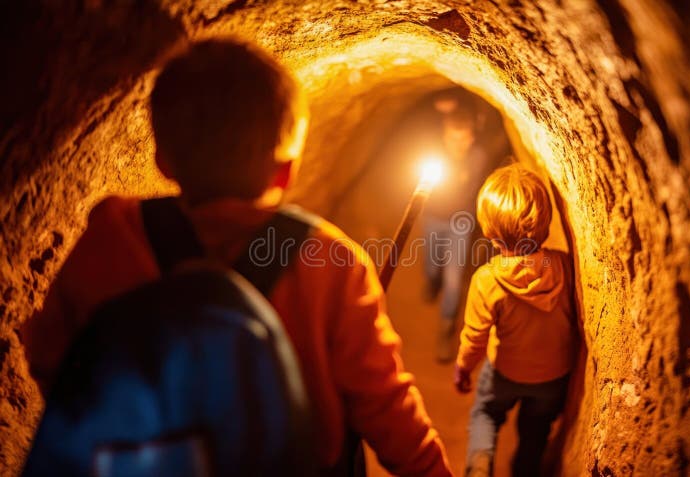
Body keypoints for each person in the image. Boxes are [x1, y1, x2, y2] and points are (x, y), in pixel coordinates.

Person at [21, 38, 453, 477]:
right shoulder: (332, 262)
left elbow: (50, 354)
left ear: (163, 160)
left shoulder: (113, 234)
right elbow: (383, 404)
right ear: (286, 171)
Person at [453, 164, 578, 477]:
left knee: (485, 413)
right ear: (545, 224)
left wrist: (464, 368)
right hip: (553, 378)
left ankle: (479, 469)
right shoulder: (564, 266)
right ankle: (525, 470)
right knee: (536, 430)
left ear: (492, 235)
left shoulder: (487, 280)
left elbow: (475, 337)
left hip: (505, 372)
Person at [423, 90, 491, 363]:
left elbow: (476, 190)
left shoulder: (478, 157)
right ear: (445, 136)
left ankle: (447, 326)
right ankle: (431, 281)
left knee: (454, 277)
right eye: (454, 138)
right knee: (431, 262)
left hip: (461, 222)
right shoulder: (434, 155)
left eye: (464, 138)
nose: (459, 145)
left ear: (472, 136)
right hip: (433, 217)